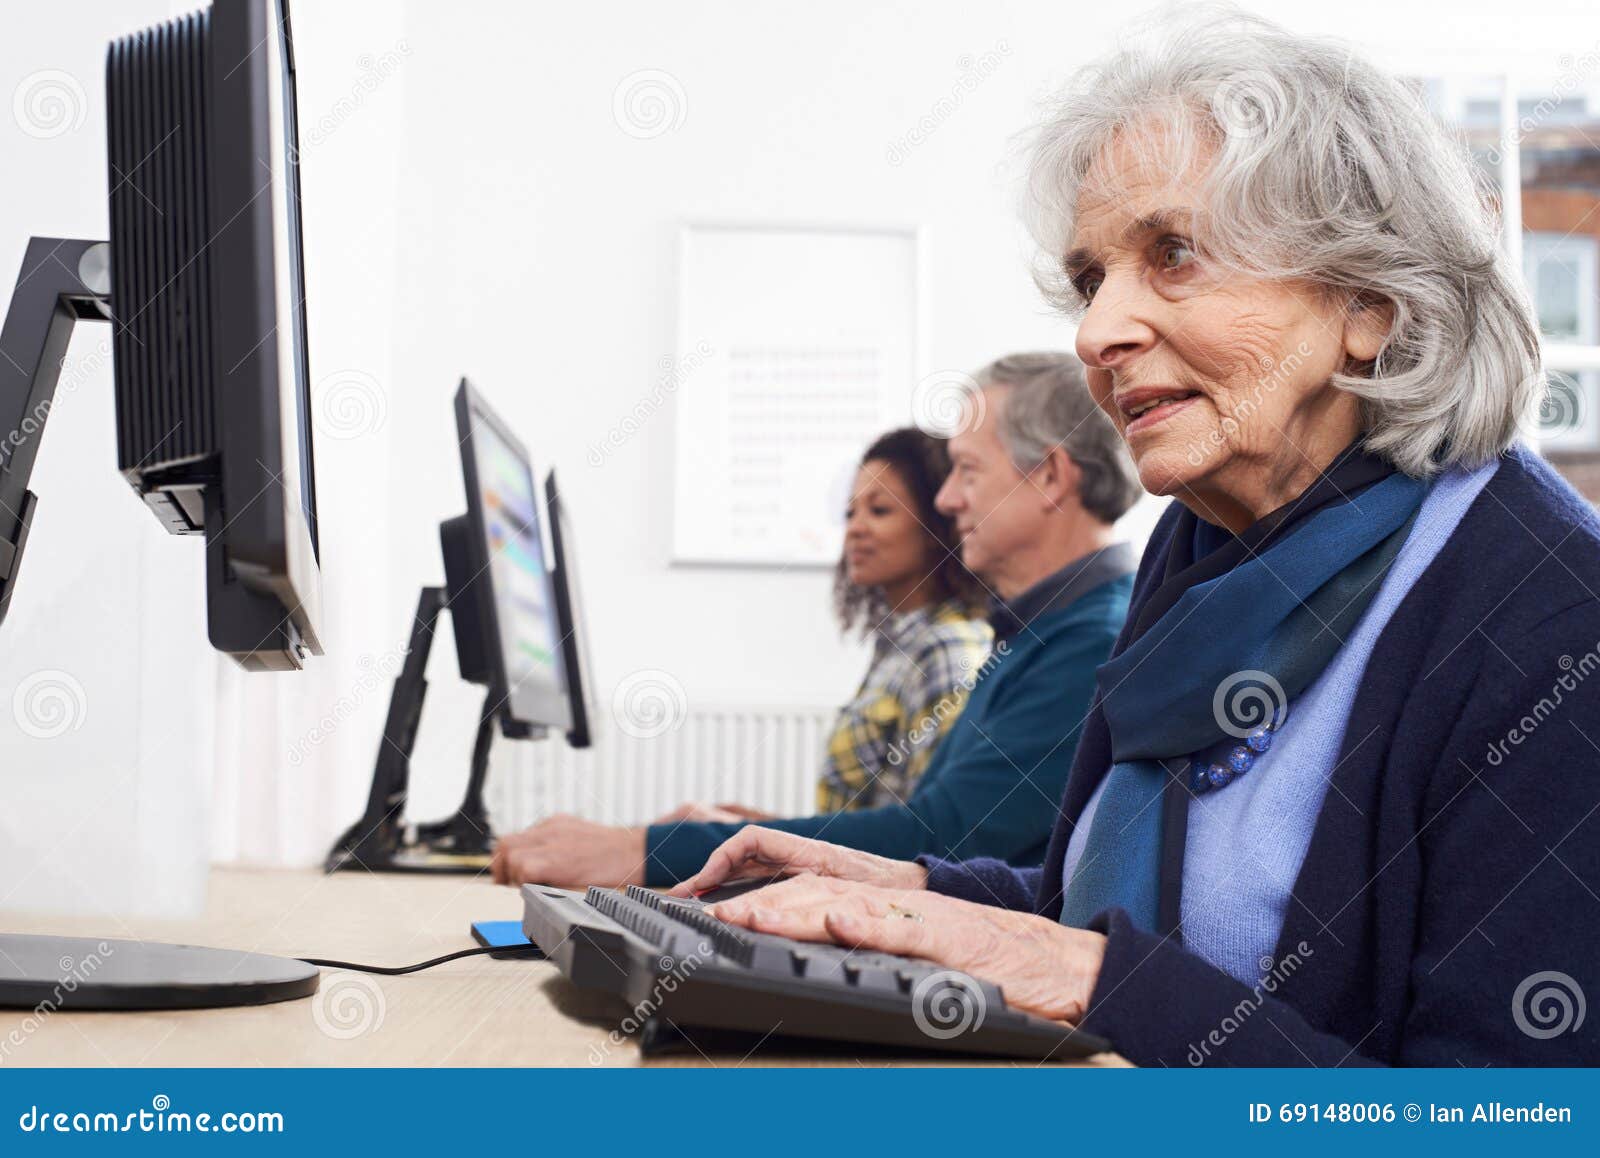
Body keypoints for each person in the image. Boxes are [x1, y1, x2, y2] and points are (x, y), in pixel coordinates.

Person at [678, 9, 1600, 1067]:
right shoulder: (1205, 543)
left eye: (1174, 254)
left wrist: (1088, 983)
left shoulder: (1550, 621)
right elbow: (1126, 906)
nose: (1093, 332)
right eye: (1089, 279)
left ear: (1370, 304)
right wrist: (922, 894)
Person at [490, 353, 1143, 888]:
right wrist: (753, 838)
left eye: (966, 470)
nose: (947, 499)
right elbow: (933, 830)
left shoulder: (1092, 642)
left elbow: (938, 838)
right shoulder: (1042, 630)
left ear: (1051, 477)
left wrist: (643, 849)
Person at [656, 427, 992, 826]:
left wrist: (758, 836)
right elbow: (870, 828)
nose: (855, 527)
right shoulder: (901, 643)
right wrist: (757, 827)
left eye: (879, 510)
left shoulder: (944, 650)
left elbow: (916, 840)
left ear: (937, 527)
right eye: (850, 513)